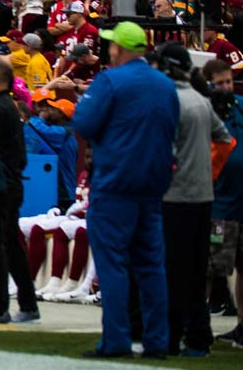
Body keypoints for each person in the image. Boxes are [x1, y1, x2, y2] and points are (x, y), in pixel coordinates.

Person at [72, 19, 178, 359]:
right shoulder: (165, 85)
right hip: (153, 184)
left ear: (119, 48)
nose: (109, 49)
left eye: (112, 45)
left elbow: (84, 123)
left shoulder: (110, 80)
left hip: (115, 182)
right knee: (151, 264)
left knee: (113, 263)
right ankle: (158, 341)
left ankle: (116, 340)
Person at [157, 42, 231, 356]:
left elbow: (163, 148)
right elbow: (225, 139)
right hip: (203, 195)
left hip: (176, 196)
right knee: (197, 269)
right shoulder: (201, 101)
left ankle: (172, 338)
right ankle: (199, 337)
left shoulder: (169, 101)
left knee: (174, 270)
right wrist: (207, 172)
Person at [204, 56, 243, 347]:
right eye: (220, 84)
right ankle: (197, 323)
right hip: (219, 204)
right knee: (212, 268)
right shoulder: (204, 112)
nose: (226, 88)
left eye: (229, 82)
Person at [0, 56, 41, 325]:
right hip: (9, 183)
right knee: (10, 246)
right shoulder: (4, 106)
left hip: (0, 184)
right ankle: (27, 303)